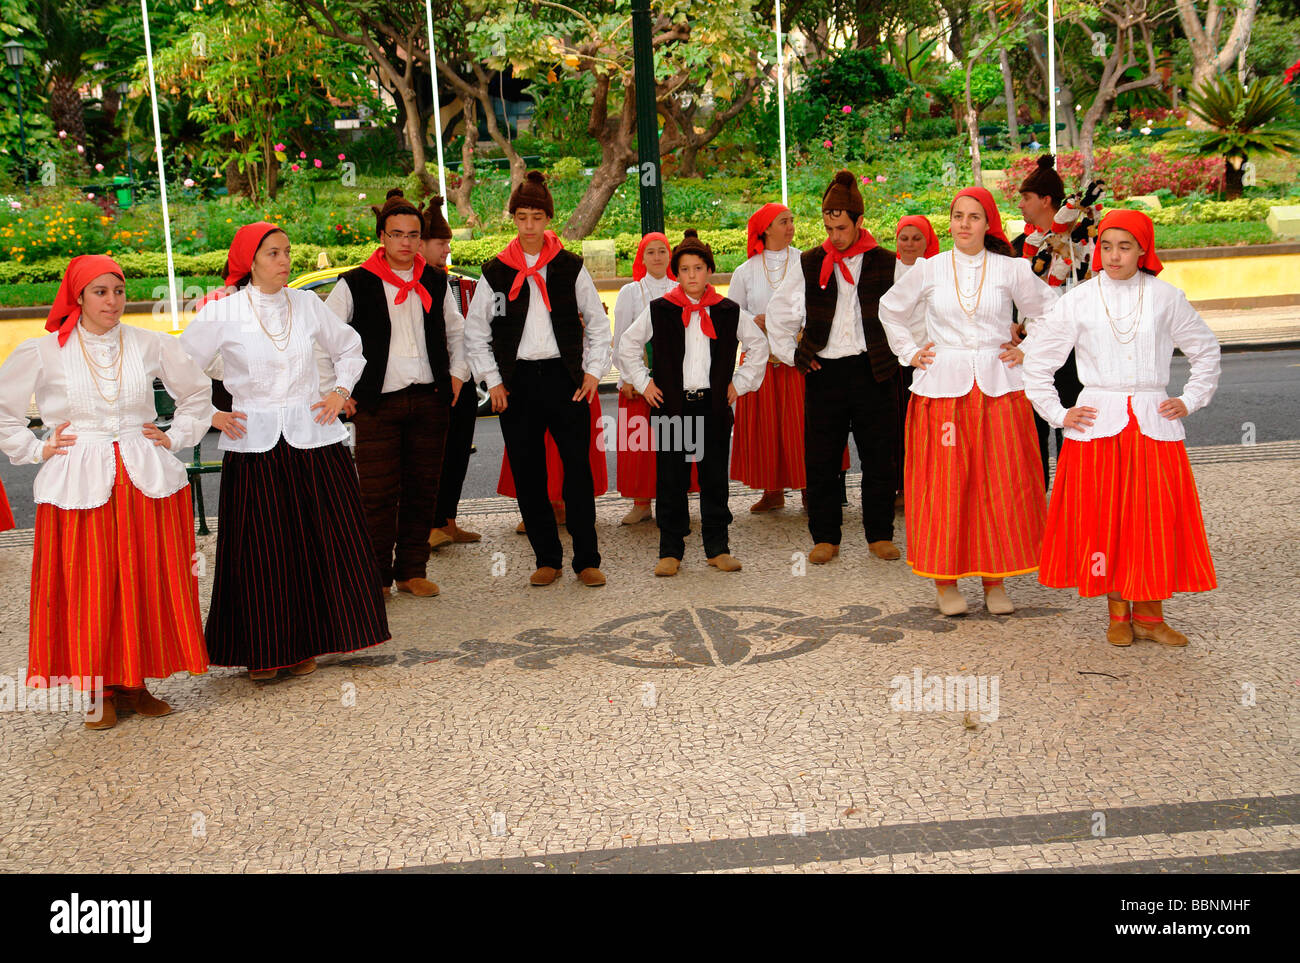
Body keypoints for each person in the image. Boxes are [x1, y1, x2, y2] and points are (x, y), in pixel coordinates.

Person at [0, 255, 214, 728]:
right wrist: (36, 448)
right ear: (77, 296)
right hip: (79, 482)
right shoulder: (44, 352)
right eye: (100, 292)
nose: (112, 301)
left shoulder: (150, 343)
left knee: (142, 580)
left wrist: (175, 436)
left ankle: (136, 683)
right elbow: (4, 410)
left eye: (118, 291)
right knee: (89, 585)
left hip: (144, 477)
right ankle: (97, 690)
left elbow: (198, 393)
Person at [180, 222, 389, 680]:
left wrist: (339, 390)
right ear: (250, 261)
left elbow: (351, 347)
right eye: (273, 253)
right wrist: (209, 416)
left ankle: (310, 642)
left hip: (313, 439)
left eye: (287, 252)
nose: (284, 261)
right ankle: (266, 651)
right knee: (261, 555)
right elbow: (179, 367)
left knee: (320, 545)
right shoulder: (224, 312)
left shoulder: (308, 303)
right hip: (254, 446)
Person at [1023, 209, 1219, 647]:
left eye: (1125, 246)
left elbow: (1206, 351)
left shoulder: (1167, 297)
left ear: (1143, 250)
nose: (1114, 256)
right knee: (1103, 522)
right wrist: (1058, 413)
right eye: (1107, 246)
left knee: (1153, 520)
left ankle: (1150, 616)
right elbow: (1038, 361)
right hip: (1096, 424)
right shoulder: (1078, 300)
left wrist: (1189, 399)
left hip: (1153, 422)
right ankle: (1117, 614)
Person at [879, 187, 1060, 616]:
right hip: (943, 394)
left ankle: (995, 580)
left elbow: (1051, 312)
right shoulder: (928, 269)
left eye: (974, 217)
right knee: (946, 487)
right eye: (958, 215)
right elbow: (890, 310)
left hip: (999, 390)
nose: (964, 224)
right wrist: (910, 353)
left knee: (998, 484)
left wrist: (1027, 350)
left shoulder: (1012, 269)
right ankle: (946, 583)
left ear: (988, 223)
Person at [463, 170, 612, 587]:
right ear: (513, 219)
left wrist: (592, 372)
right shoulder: (496, 273)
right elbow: (476, 332)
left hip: (566, 381)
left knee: (577, 473)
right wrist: (492, 381)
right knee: (529, 475)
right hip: (517, 384)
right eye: (522, 216)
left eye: (537, 217)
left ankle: (587, 559)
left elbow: (598, 325)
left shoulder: (569, 268)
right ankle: (547, 558)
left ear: (548, 220)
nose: (529, 226)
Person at [322, 189, 469, 599]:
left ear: (420, 239)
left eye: (413, 235)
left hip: (429, 399)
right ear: (382, 237)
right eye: (397, 234)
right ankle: (375, 577)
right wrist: (338, 391)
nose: (405, 242)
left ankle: (411, 570)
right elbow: (324, 341)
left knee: (423, 489)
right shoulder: (354, 283)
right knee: (376, 495)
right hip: (376, 404)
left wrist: (457, 375)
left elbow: (457, 331)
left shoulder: (436, 281)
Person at [766, 170, 903, 567]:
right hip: (824, 372)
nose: (835, 235)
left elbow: (914, 314)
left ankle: (879, 534)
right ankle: (825, 537)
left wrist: (900, 353)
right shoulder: (810, 263)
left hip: (873, 371)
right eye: (829, 226)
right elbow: (779, 314)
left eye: (841, 227)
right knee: (821, 459)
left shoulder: (887, 263)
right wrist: (794, 354)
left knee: (880, 457)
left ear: (860, 221)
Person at [617, 230, 769, 575]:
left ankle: (718, 547)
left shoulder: (729, 311)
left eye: (698, 268)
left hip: (713, 407)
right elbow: (628, 345)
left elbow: (757, 345)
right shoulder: (661, 310)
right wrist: (644, 383)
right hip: (673, 408)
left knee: (714, 479)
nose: (691, 276)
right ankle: (671, 550)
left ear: (709, 270)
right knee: (672, 480)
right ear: (677, 273)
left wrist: (740, 383)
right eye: (684, 269)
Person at [1013, 154, 1100, 488]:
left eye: (1026, 198)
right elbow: (1016, 295)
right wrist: (1014, 322)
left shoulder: (1082, 242)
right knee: (1033, 429)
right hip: (1032, 349)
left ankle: (1071, 499)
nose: (1021, 205)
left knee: (1070, 423)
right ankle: (1035, 503)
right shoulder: (1023, 245)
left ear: (1046, 200)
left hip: (1073, 349)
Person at [729, 203, 808, 513]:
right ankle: (771, 490)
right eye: (783, 222)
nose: (790, 227)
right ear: (766, 229)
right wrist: (754, 320)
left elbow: (818, 304)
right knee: (765, 428)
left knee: (799, 427)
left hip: (796, 359)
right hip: (760, 360)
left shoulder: (805, 262)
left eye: (791, 220)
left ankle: (807, 489)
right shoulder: (746, 271)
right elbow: (731, 315)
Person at [612, 232, 684, 525]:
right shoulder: (630, 292)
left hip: (674, 380)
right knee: (640, 445)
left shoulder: (681, 288)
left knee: (674, 441)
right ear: (642, 258)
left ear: (670, 256)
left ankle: (675, 501)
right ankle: (641, 504)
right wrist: (628, 378)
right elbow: (620, 339)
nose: (657, 257)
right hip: (638, 379)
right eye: (650, 252)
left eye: (662, 251)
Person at [423, 197, 483, 548]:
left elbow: (463, 330)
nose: (448, 249)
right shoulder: (419, 281)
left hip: (463, 379)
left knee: (459, 451)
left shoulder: (447, 281)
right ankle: (430, 523)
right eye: (441, 243)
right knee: (435, 455)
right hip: (433, 382)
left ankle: (448, 519)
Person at [891, 215, 941, 499]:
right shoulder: (888, 270)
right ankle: (900, 486)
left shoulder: (935, 271)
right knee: (897, 426)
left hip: (929, 360)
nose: (910, 244)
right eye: (904, 238)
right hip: (896, 361)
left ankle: (929, 483)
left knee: (929, 428)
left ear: (927, 241)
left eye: (916, 238)